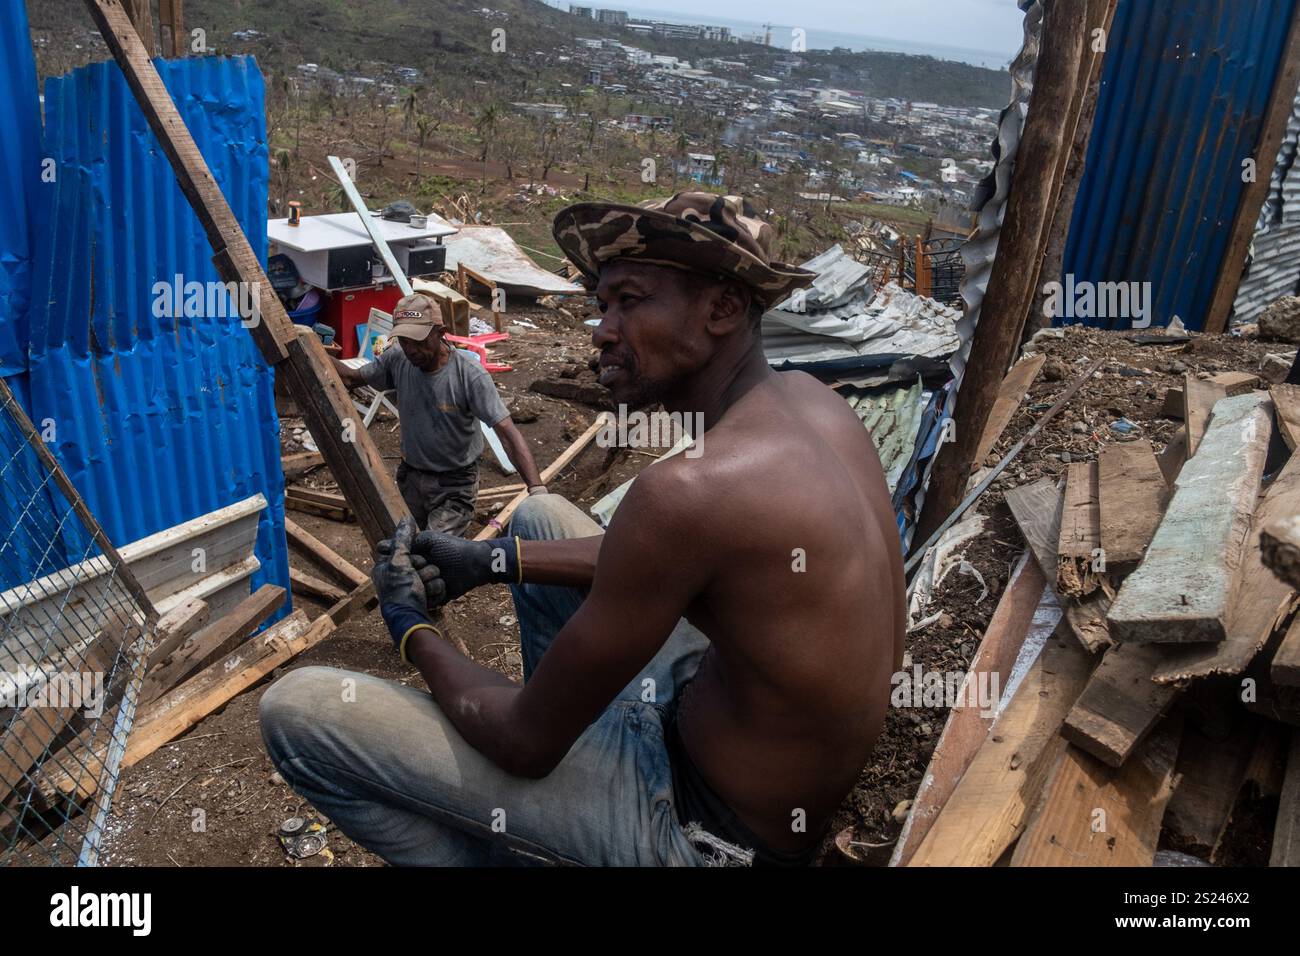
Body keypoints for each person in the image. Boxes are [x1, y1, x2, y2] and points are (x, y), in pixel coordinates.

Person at [262, 193, 906, 866]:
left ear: (722, 308)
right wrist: (493, 561)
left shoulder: (692, 491)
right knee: (539, 516)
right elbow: (662, 558)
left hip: (703, 833)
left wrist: (410, 626)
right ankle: (564, 776)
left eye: (630, 301)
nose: (602, 329)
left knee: (298, 713)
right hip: (732, 739)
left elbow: (523, 743)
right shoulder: (814, 403)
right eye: (605, 304)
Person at [331, 293, 545, 536]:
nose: (411, 349)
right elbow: (351, 378)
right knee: (401, 546)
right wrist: (308, 344)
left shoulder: (469, 376)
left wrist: (537, 490)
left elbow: (507, 433)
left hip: (454, 485)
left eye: (419, 341)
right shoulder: (398, 358)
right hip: (411, 477)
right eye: (404, 340)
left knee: (435, 552)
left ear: (440, 332)